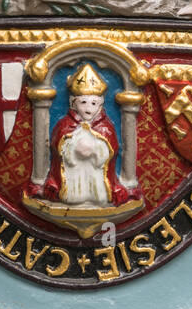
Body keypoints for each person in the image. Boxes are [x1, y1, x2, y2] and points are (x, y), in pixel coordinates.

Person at [33, 63, 134, 207]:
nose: (88, 109)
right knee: (73, 192)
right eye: (83, 102)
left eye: (93, 103)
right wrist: (72, 150)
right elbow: (56, 148)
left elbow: (112, 149)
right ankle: (72, 197)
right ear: (73, 103)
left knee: (97, 191)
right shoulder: (65, 125)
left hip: (95, 170)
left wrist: (97, 151)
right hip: (74, 170)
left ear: (100, 104)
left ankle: (98, 197)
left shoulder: (105, 127)